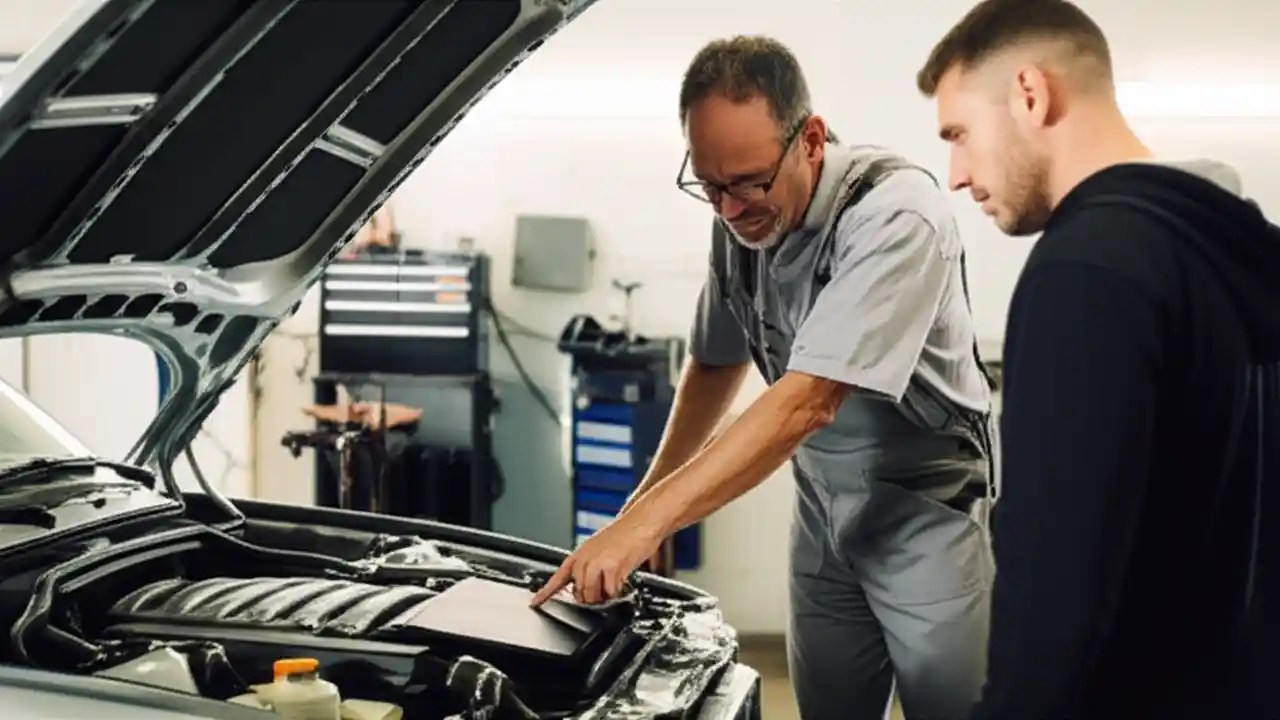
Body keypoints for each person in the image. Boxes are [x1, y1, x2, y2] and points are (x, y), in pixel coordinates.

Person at [532, 35, 998, 720]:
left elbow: (807, 401)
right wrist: (643, 509)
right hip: (821, 512)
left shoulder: (894, 214)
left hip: (927, 514)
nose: (729, 208)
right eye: (710, 185)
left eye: (748, 182)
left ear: (809, 139)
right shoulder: (741, 219)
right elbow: (715, 363)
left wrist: (650, 523)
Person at [916, 1, 1280, 718]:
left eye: (959, 134)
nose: (955, 175)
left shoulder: (1087, 272)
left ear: (1030, 93)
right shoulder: (1224, 247)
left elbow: (1053, 602)